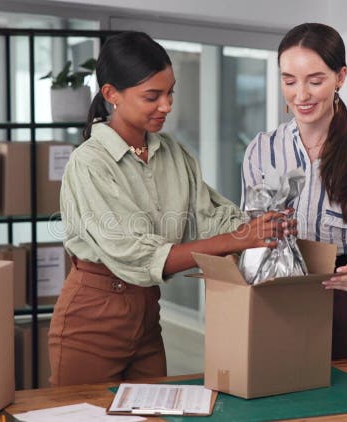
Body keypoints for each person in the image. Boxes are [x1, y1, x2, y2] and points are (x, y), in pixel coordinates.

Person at [51, 31, 295, 386]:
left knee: (154, 410)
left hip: (148, 315)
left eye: (170, 93)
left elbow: (211, 217)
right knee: (84, 412)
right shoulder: (89, 163)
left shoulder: (173, 153)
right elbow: (139, 256)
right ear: (111, 94)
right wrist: (239, 239)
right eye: (152, 96)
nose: (166, 106)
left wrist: (264, 226)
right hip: (91, 320)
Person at [242, 23, 347, 358]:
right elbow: (246, 231)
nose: (300, 95)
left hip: (340, 308)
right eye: (289, 81)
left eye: (315, 81)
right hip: (273, 302)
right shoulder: (261, 150)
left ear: (340, 77)